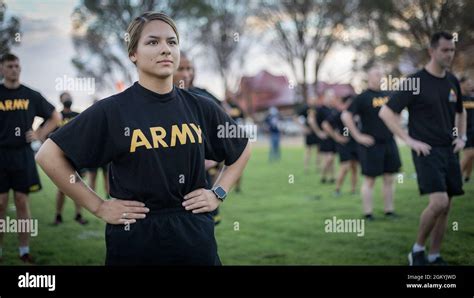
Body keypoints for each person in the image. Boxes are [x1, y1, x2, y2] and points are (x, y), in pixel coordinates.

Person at [36, 12, 251, 265]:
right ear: (133, 54)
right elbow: (48, 155)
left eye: (172, 42)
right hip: (136, 237)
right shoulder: (113, 110)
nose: (165, 49)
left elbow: (242, 148)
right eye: (153, 42)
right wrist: (99, 206)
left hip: (194, 236)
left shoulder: (199, 106)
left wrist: (218, 192)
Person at [380, 32, 466, 266]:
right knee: (439, 202)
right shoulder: (415, 82)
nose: (449, 54)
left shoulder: (452, 81)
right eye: (445, 50)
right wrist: (409, 140)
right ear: (431, 51)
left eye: (452, 50)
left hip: (450, 151)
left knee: (446, 207)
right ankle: (417, 251)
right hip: (426, 151)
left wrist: (462, 137)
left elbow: (461, 111)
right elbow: (386, 113)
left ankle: (434, 255)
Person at [0, 53, 61, 263]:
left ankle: (23, 250)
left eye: (17, 65)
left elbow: (55, 116)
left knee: (21, 201)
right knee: (0, 203)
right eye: (10, 66)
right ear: (2, 69)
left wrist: (39, 134)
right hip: (1, 154)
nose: (15, 69)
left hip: (22, 154)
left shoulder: (30, 95)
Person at [341, 67, 401, 220]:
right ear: (368, 77)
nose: (380, 76)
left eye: (381, 74)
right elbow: (346, 115)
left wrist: (397, 126)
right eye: (376, 74)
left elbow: (397, 112)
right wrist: (358, 136)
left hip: (389, 142)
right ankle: (368, 213)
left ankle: (389, 210)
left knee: (389, 178)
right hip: (371, 144)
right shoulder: (362, 97)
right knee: (370, 180)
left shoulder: (389, 95)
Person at [53, 92, 88, 225]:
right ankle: (58, 215)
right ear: (61, 100)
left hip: (76, 158)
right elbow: (45, 132)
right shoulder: (57, 116)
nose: (68, 99)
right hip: (62, 158)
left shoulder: (78, 115)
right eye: (65, 97)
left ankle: (79, 215)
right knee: (61, 189)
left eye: (69, 96)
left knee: (78, 187)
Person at [322, 96, 358, 196]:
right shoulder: (340, 113)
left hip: (355, 143)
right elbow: (325, 124)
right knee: (345, 167)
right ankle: (337, 190)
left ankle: (354, 190)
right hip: (344, 144)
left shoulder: (356, 113)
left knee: (354, 167)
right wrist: (337, 137)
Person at [311, 90, 337, 184]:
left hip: (333, 137)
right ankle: (323, 176)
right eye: (329, 97)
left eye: (332, 97)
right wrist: (318, 132)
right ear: (325, 98)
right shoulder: (320, 109)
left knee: (332, 159)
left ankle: (331, 177)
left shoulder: (334, 109)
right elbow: (311, 120)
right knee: (328, 158)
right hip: (325, 137)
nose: (330, 99)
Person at [296, 96, 322, 173]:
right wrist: (303, 128)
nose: (313, 101)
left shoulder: (317, 108)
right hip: (310, 132)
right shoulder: (305, 108)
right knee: (308, 150)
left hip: (317, 131)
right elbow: (295, 117)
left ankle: (318, 166)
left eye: (314, 100)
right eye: (312, 100)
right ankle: (306, 167)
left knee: (319, 150)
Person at [459, 76, 474, 182]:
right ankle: (455, 178)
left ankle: (467, 178)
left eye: (471, 84)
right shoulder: (457, 97)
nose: (471, 86)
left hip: (473, 130)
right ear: (461, 84)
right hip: (465, 131)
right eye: (468, 84)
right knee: (469, 154)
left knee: (472, 155)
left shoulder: (471, 97)